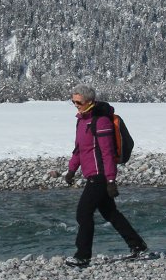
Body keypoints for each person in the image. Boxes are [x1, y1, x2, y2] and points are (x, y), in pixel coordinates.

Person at [61, 84, 148, 268]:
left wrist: (110, 180)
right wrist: (71, 170)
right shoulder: (81, 121)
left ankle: (83, 256)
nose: (75, 105)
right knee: (110, 213)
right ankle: (138, 246)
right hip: (92, 174)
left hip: (100, 176)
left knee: (83, 213)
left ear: (89, 101)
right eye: (73, 101)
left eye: (79, 102)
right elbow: (79, 150)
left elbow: (107, 153)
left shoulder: (101, 122)